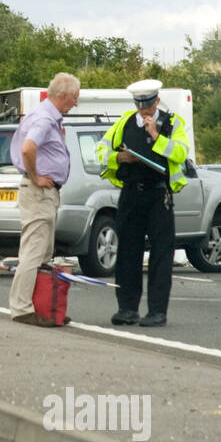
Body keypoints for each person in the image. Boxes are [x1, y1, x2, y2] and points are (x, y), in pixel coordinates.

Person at [95, 79, 191, 328]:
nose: (144, 109)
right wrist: (119, 157)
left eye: (148, 104)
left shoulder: (172, 123)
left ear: (157, 101)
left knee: (161, 253)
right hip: (131, 194)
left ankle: (157, 311)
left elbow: (180, 153)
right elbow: (101, 152)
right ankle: (127, 309)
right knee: (127, 251)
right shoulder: (124, 123)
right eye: (139, 104)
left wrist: (156, 136)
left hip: (159, 195)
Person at [9, 72, 80, 326]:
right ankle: (22, 308)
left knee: (42, 251)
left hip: (45, 193)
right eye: (74, 98)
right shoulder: (44, 118)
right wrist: (37, 176)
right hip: (39, 192)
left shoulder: (44, 115)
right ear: (63, 96)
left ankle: (41, 306)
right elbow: (28, 148)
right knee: (34, 251)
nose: (76, 103)